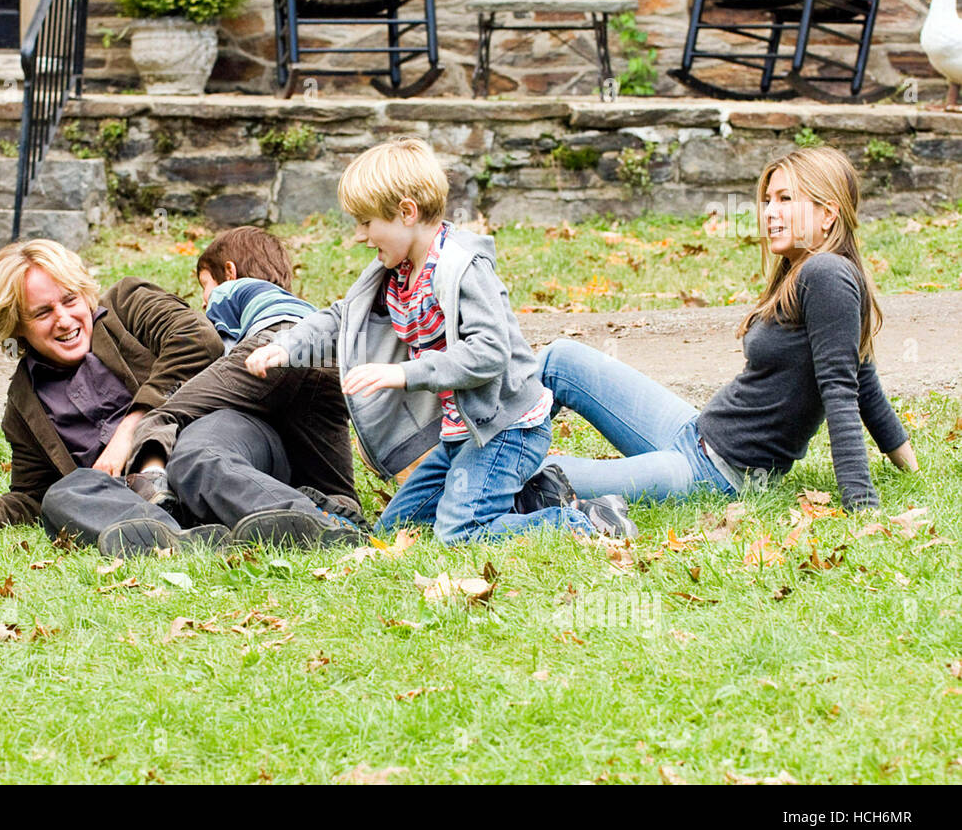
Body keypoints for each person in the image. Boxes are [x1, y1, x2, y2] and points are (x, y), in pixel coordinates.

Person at [246, 138, 613, 544]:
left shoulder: (462, 268)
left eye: (366, 223)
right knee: (397, 529)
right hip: (460, 433)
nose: (361, 236)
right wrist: (287, 345)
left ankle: (585, 521)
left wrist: (402, 373)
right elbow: (341, 317)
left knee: (459, 534)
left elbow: (489, 352)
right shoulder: (397, 272)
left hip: (505, 429)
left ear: (406, 212)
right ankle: (534, 498)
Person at [521, 146, 917, 512]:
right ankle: (469, 450)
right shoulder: (806, 271)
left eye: (785, 199)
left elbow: (844, 388)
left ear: (828, 213)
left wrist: (862, 504)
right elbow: (865, 375)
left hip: (714, 474)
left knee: (536, 477)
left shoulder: (826, 273)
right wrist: (911, 468)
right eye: (767, 201)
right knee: (561, 358)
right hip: (693, 430)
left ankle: (476, 472)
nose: (769, 212)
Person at [0, 239, 230, 557]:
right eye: (43, 313)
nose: (65, 320)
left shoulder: (128, 304)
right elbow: (34, 495)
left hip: (194, 456)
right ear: (17, 327)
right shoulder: (24, 404)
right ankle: (171, 536)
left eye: (70, 300)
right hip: (127, 502)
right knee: (62, 497)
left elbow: (200, 341)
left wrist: (130, 429)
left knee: (209, 447)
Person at [123, 227, 367, 549]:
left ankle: (152, 482)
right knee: (328, 479)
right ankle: (342, 513)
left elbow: (214, 345)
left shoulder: (233, 291)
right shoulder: (300, 304)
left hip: (270, 347)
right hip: (328, 360)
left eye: (204, 286)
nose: (204, 297)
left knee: (168, 412)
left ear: (228, 271)